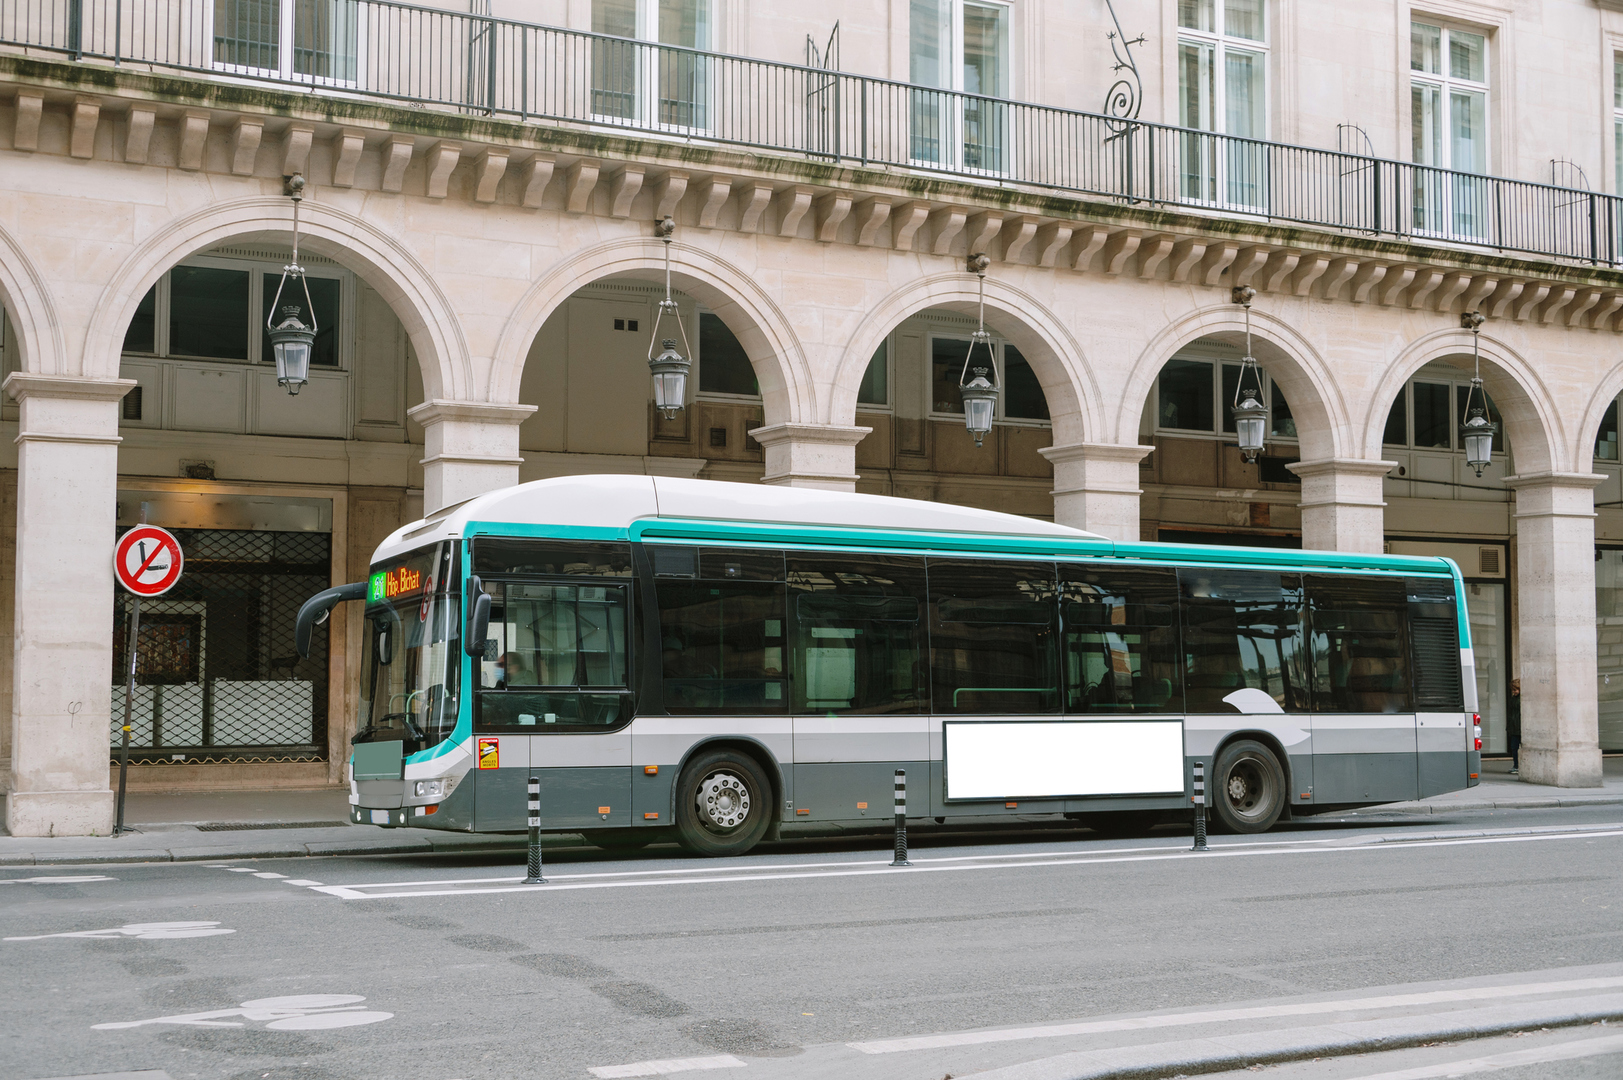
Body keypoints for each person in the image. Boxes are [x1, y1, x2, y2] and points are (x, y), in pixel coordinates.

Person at [1506, 677, 1521, 776]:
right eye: (1513, 690)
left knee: (1515, 747)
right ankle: (1516, 765)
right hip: (1514, 727)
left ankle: (1517, 766)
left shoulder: (1521, 700)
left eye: (1515, 690)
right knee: (1514, 747)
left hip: (1518, 727)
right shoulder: (1513, 699)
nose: (1514, 692)